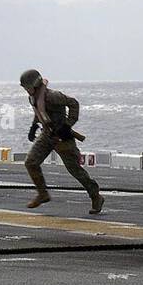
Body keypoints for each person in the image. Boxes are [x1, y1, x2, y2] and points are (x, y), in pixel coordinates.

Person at [20, 70, 103, 214]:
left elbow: (74, 103)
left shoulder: (53, 96)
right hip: (47, 135)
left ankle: (96, 195)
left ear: (35, 84)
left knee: (75, 170)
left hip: (62, 137)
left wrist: (68, 125)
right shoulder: (33, 97)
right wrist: (33, 126)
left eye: (27, 87)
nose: (26, 90)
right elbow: (39, 111)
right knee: (30, 162)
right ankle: (42, 194)